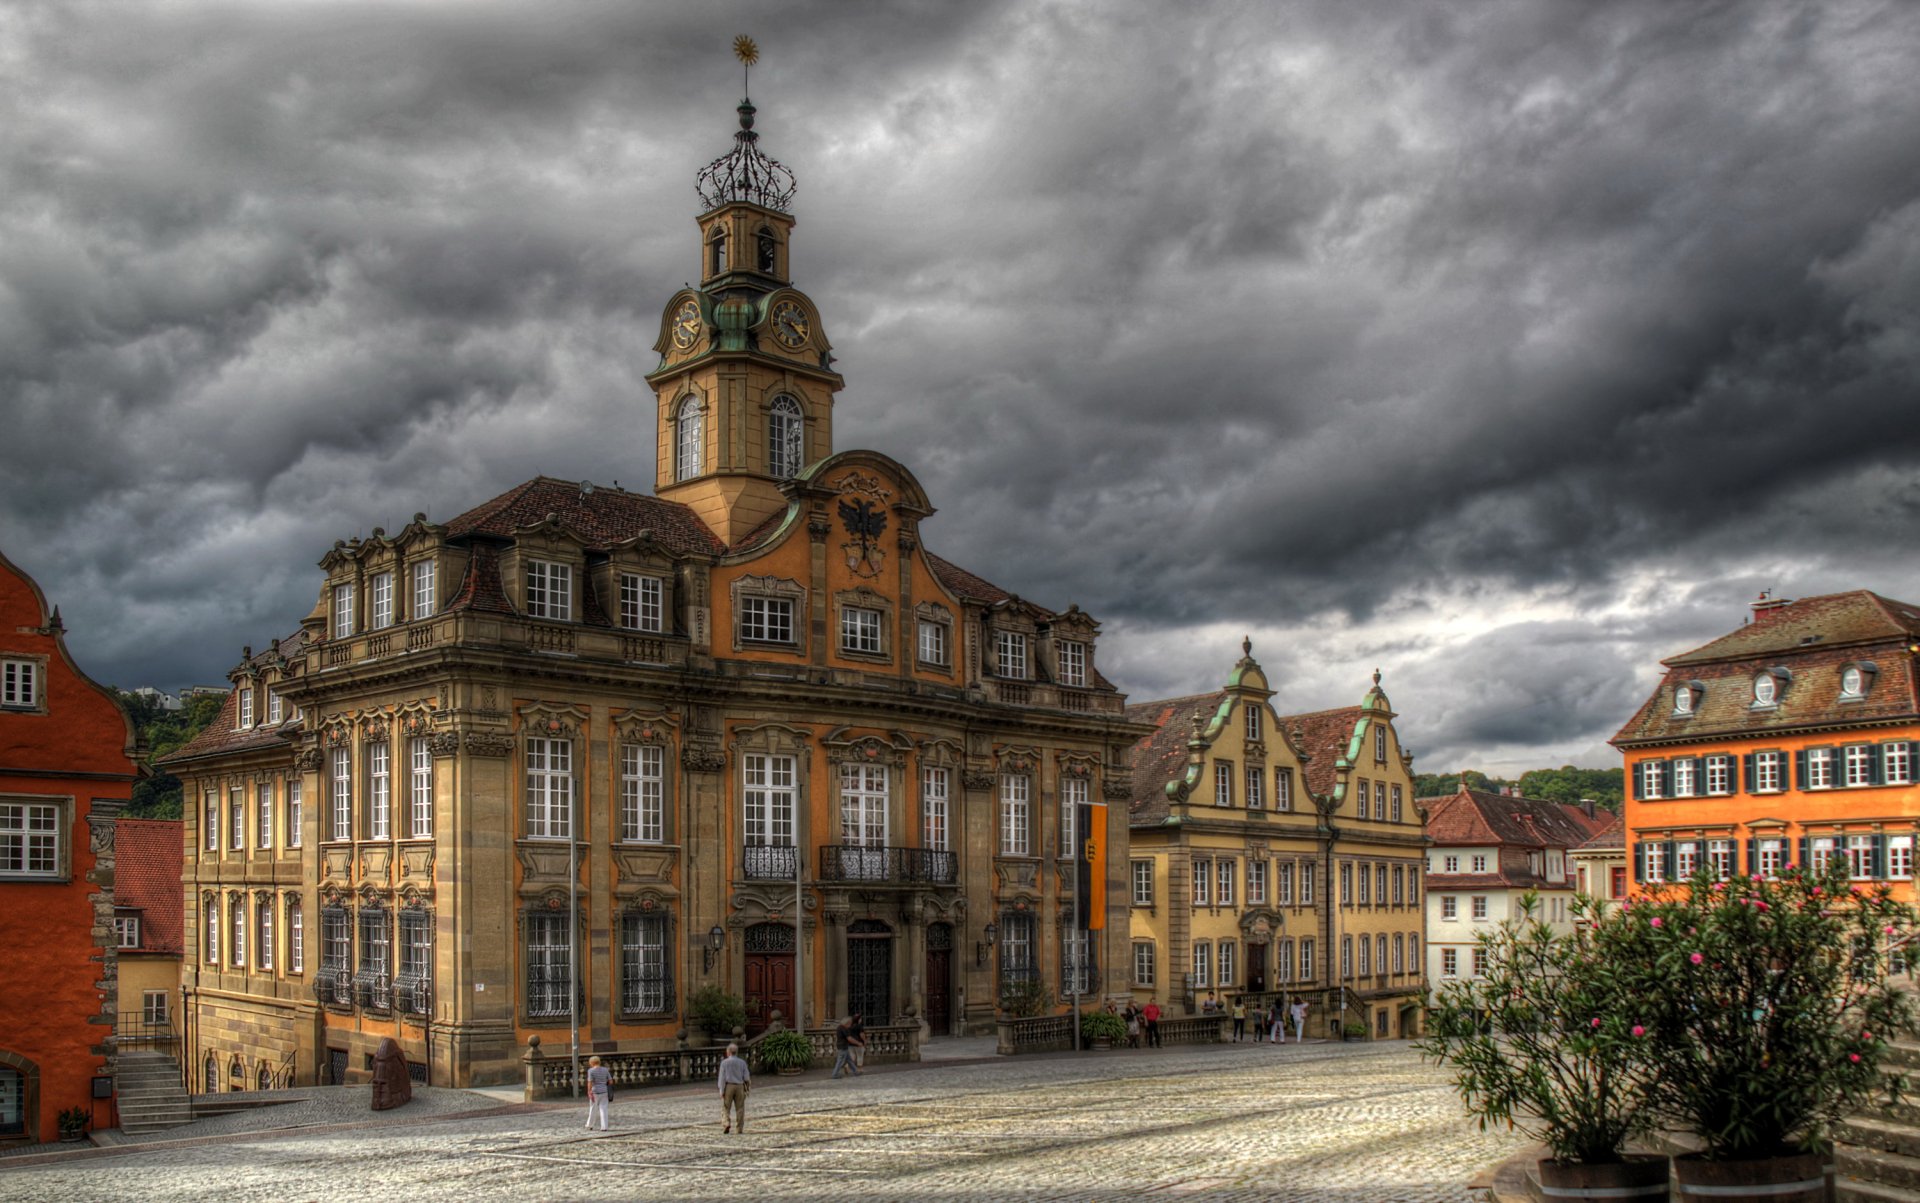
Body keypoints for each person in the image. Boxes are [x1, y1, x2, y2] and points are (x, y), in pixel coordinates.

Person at [718, 1042, 751, 1133]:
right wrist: (747, 1088)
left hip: (728, 1086)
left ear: (728, 1052)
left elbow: (722, 1078)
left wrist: (721, 1090)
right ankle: (739, 1128)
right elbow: (746, 1077)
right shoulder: (742, 1062)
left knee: (726, 1107)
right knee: (740, 1108)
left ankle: (726, 1123)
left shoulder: (724, 1063)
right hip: (739, 1086)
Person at [831, 1014, 863, 1079]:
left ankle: (856, 1071)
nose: (850, 1024)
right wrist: (858, 1043)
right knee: (840, 1061)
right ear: (847, 1022)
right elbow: (849, 1038)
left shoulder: (840, 1027)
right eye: (850, 1023)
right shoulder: (843, 1028)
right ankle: (834, 1074)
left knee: (849, 1060)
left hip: (843, 1046)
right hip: (843, 1047)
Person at [584, 1055, 611, 1132]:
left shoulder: (591, 1071)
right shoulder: (605, 1070)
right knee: (603, 1109)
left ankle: (590, 1125)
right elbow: (610, 1081)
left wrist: (589, 1091)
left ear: (592, 1063)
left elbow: (590, 1082)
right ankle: (604, 1127)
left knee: (593, 1108)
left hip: (595, 1091)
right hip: (604, 1091)